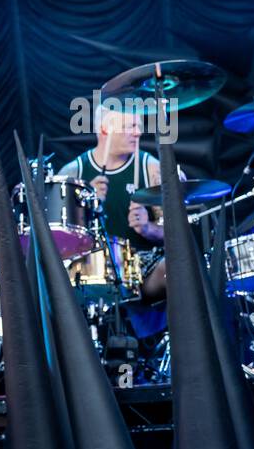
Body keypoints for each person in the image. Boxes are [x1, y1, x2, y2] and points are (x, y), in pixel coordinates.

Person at [58, 104, 179, 302]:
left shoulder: (151, 169)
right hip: (89, 270)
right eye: (129, 126)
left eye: (138, 126)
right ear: (105, 130)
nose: (138, 132)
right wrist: (87, 206)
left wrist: (148, 228)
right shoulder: (73, 173)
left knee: (176, 268)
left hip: (142, 268)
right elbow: (59, 244)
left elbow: (176, 236)